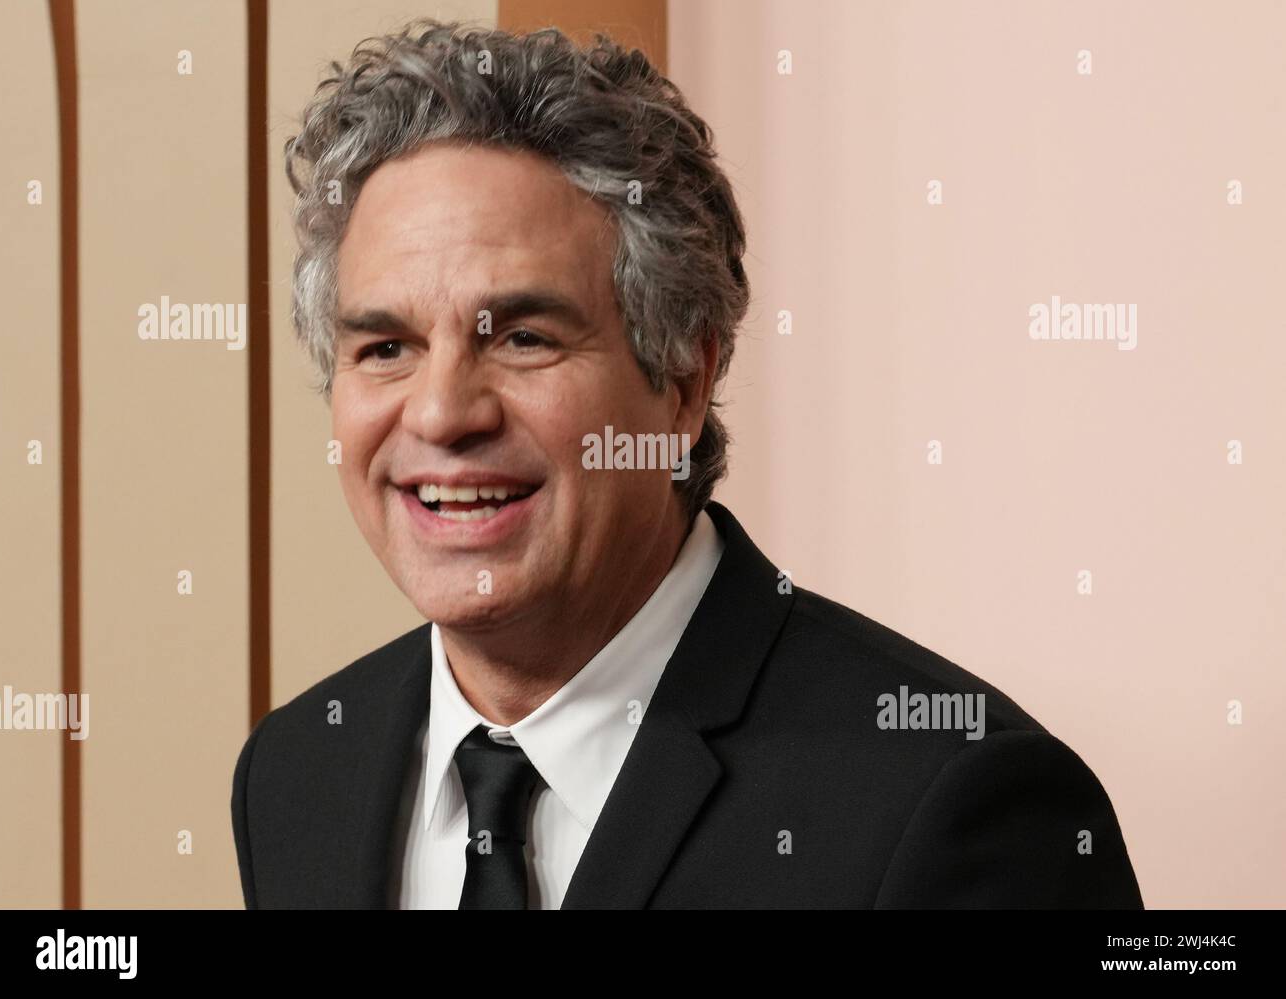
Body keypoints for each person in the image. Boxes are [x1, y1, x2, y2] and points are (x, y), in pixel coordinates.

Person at [231, 18, 1143, 909]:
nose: (440, 412)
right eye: (384, 347)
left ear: (682, 377)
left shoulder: (957, 804)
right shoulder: (297, 774)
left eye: (522, 336)